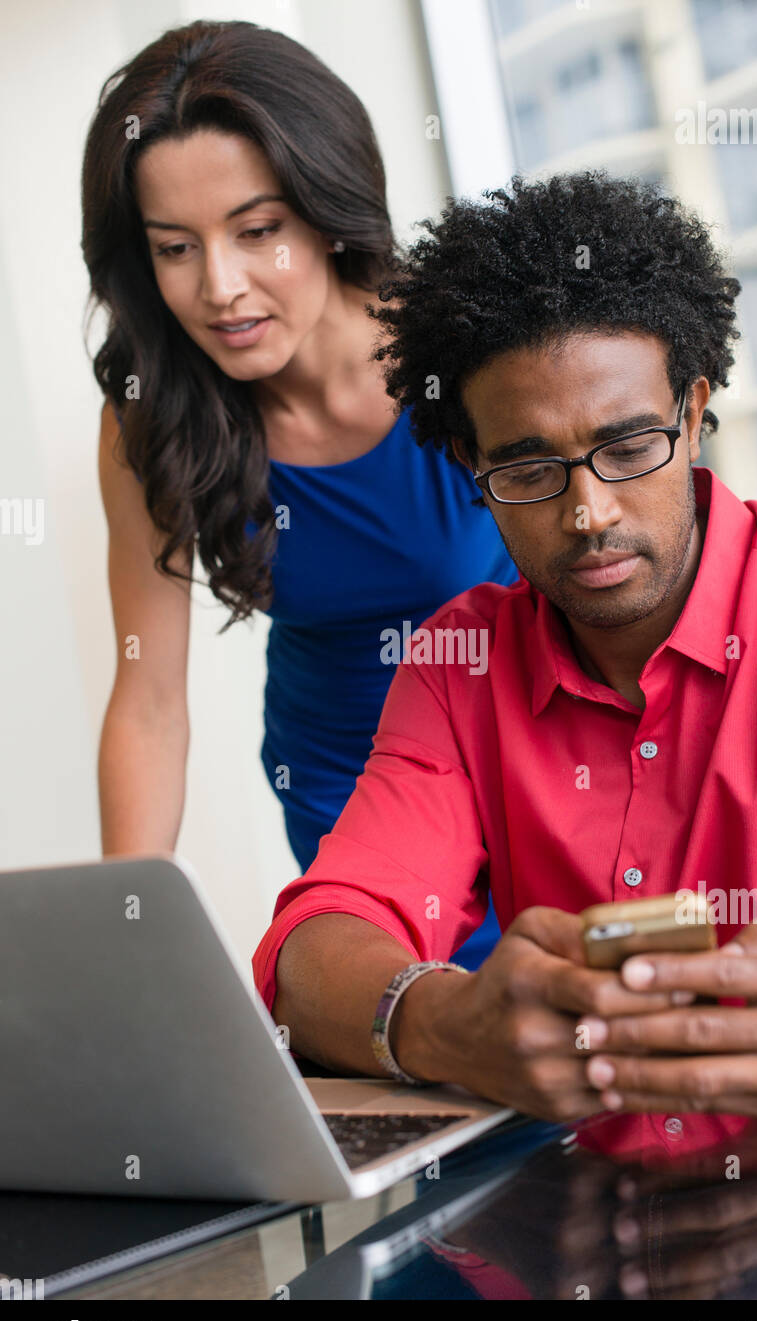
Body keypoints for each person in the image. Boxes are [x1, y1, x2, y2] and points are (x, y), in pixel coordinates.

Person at [254, 171, 757, 1162]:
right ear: (470, 469)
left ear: (695, 408)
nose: (588, 513)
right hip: (581, 1228)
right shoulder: (461, 666)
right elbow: (320, 944)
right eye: (530, 471)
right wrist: (445, 1022)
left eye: (628, 447)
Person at [83, 19, 516, 969]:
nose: (221, 289)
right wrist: (126, 926)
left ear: (325, 209)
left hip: (530, 769)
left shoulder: (464, 349)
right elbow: (149, 698)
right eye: (175, 248)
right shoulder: (151, 416)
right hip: (344, 796)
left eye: (258, 232)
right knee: (416, 1074)